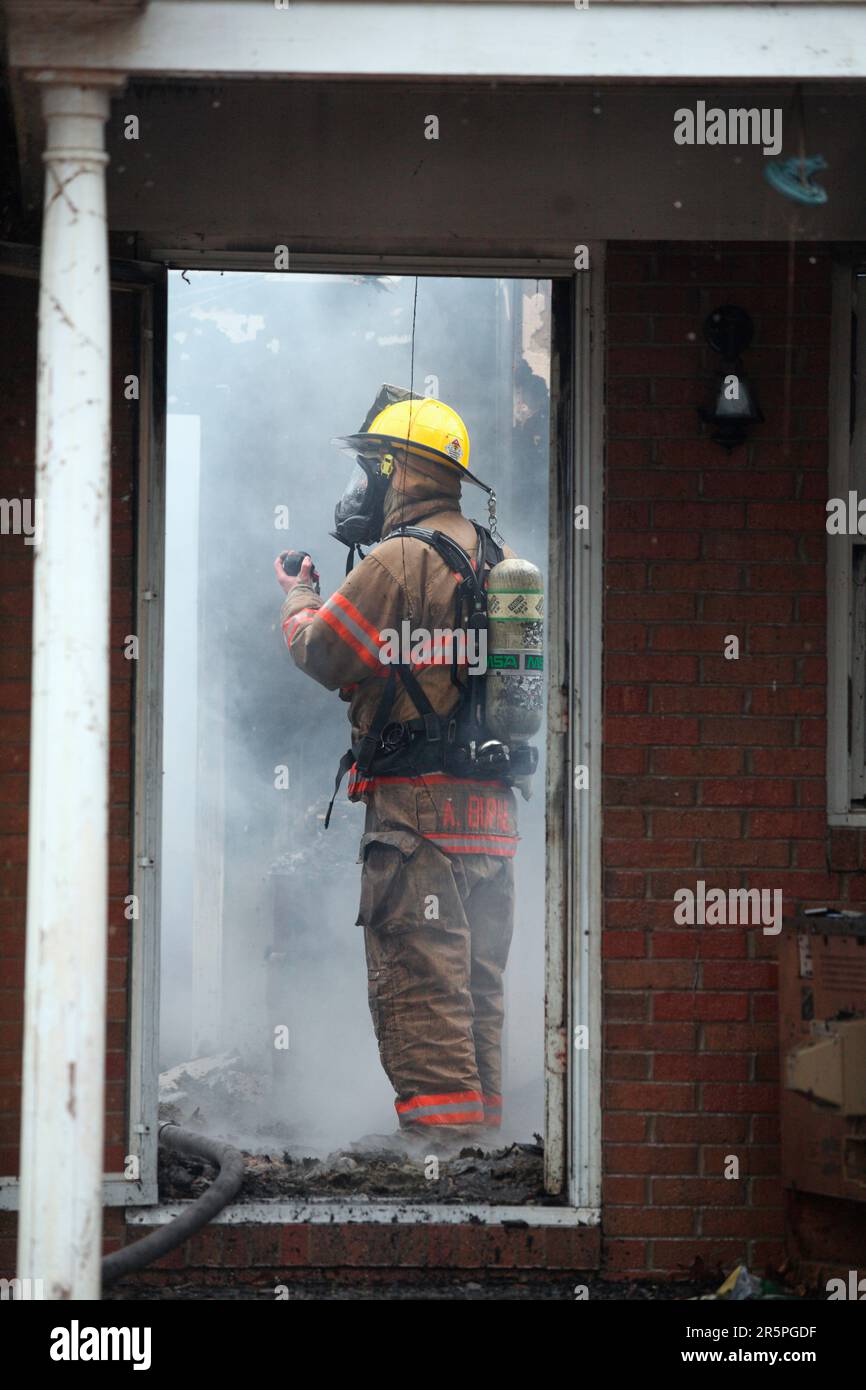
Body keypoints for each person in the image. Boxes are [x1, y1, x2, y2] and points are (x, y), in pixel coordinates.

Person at [274, 391, 525, 1149]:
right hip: (490, 818)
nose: (365, 486)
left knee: (422, 980)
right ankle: (483, 1151)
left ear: (402, 471)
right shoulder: (493, 554)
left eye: (373, 468)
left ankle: (440, 1163)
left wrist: (299, 597)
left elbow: (325, 654)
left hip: (417, 819)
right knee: (477, 983)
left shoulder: (400, 558)